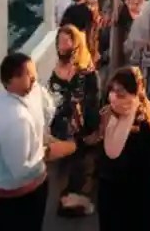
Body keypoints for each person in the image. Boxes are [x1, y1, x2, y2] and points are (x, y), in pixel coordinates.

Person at [0, 52, 73, 231]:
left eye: (33, 72)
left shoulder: (31, 92)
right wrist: (53, 150)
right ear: (10, 81)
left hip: (19, 195)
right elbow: (21, 170)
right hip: (14, 202)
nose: (34, 77)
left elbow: (47, 112)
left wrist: (44, 137)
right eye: (27, 74)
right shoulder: (13, 119)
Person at [96, 67, 150, 231]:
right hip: (111, 206)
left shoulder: (142, 130)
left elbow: (149, 185)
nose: (113, 97)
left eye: (120, 93)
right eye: (111, 91)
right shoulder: (109, 118)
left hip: (133, 208)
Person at [47, 26, 101, 217]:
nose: (62, 45)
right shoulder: (53, 73)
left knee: (76, 179)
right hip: (59, 133)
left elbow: (93, 104)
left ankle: (80, 201)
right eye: (59, 41)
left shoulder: (87, 75)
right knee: (60, 185)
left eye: (66, 41)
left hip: (81, 135)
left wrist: (93, 131)